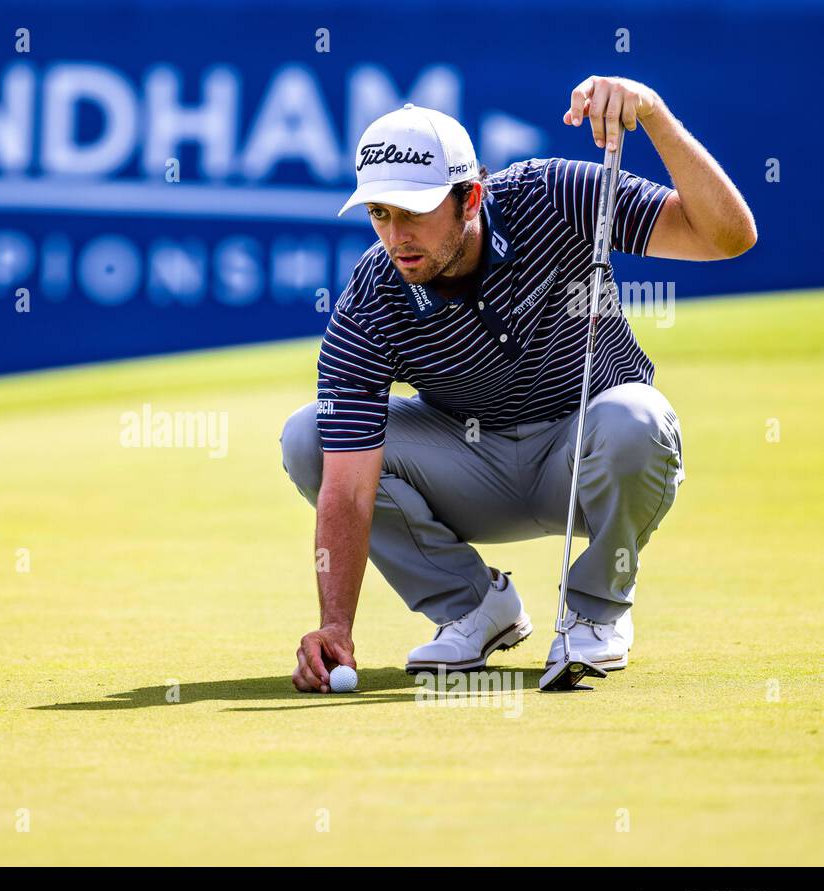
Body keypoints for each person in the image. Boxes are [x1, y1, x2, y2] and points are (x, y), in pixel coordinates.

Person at [281, 76, 756, 693]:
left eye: (416, 213)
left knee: (637, 418)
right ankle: (475, 608)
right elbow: (345, 490)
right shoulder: (371, 304)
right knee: (309, 437)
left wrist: (656, 115)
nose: (397, 237)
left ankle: (595, 611)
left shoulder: (553, 196)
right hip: (471, 472)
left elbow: (728, 235)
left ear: (471, 197)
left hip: (583, 459)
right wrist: (335, 625)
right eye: (380, 213)